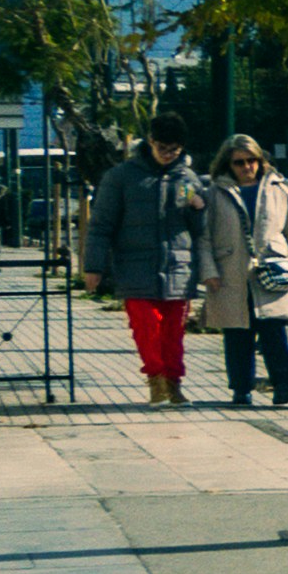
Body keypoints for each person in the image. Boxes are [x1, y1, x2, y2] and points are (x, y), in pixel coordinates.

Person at [83, 108, 206, 406]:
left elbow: (201, 230)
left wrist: (199, 208)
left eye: (174, 149)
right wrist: (94, 267)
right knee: (147, 327)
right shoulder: (121, 177)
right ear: (150, 141)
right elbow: (100, 226)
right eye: (162, 147)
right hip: (134, 267)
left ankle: (173, 382)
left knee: (174, 332)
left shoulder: (187, 178)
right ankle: (155, 378)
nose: (167, 154)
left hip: (178, 267)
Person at [194, 132, 288, 408]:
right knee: (237, 334)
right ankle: (241, 389)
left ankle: (284, 385)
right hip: (231, 272)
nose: (246, 167)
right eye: (239, 162)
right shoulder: (215, 193)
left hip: (271, 271)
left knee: (274, 331)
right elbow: (204, 238)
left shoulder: (278, 188)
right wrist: (209, 271)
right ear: (228, 164)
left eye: (251, 160)